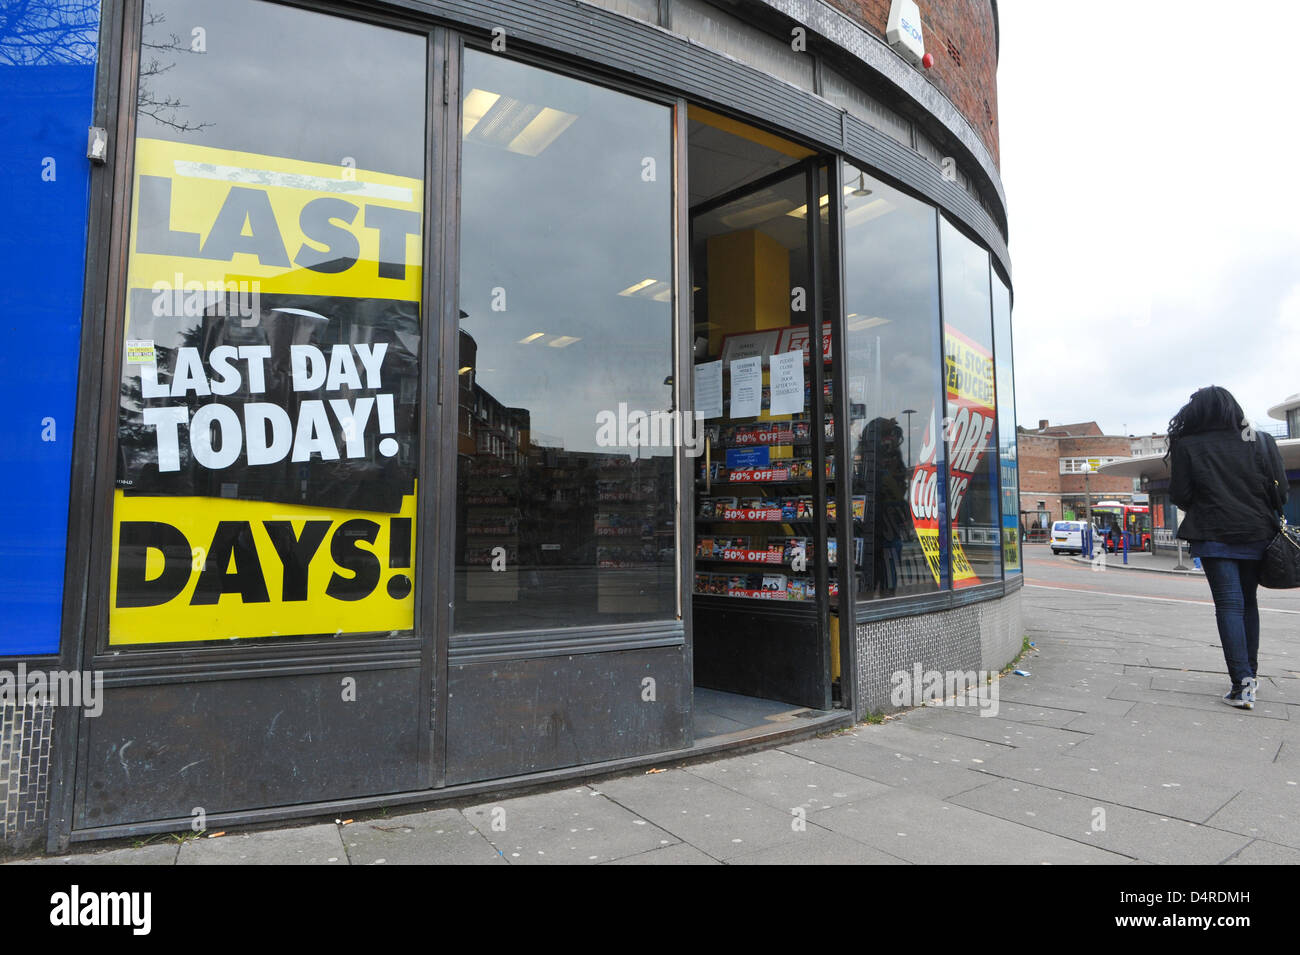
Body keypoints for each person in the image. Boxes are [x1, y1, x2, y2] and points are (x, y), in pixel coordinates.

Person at [1167, 386, 1288, 710]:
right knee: (1248, 603)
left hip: (1213, 533)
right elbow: (1282, 491)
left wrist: (1208, 501)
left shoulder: (1186, 444)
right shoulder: (1261, 441)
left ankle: (1242, 683)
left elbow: (1180, 493)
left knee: (1229, 606)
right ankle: (1250, 676)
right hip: (1256, 531)